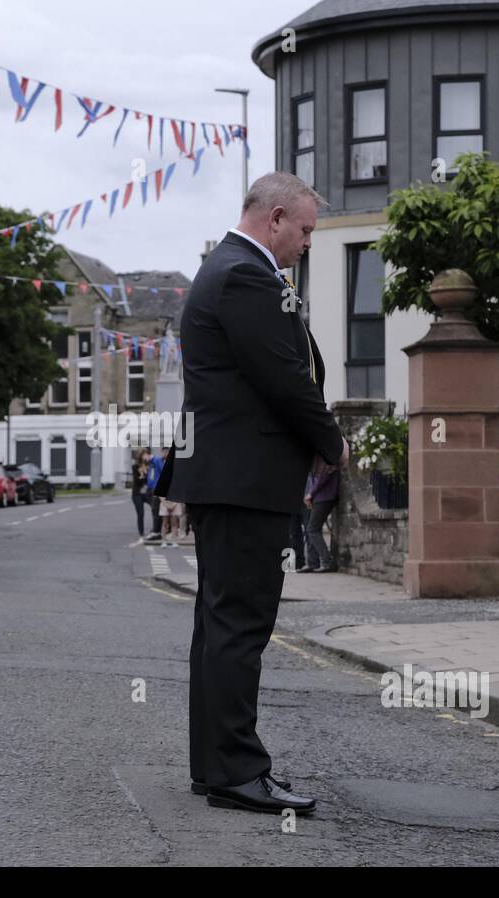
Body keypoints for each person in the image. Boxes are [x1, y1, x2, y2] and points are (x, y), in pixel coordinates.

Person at [159, 172, 349, 816]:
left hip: (228, 476)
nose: (306, 244)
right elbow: (285, 378)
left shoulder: (226, 266)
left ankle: (215, 766)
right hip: (245, 479)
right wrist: (332, 441)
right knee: (239, 626)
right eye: (304, 231)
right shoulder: (245, 273)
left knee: (219, 626)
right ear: (274, 219)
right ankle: (238, 772)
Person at [299, 461, 339, 573]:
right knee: (311, 529)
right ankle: (313, 562)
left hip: (324, 497)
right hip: (320, 497)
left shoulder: (326, 459)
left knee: (312, 529)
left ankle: (327, 562)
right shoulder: (321, 459)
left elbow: (322, 478)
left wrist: (311, 494)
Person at [130, 449, 151, 543]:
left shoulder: (150, 466)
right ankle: (141, 533)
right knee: (141, 513)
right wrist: (143, 474)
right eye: (144, 455)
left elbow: (150, 480)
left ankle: (155, 530)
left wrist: (145, 474)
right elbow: (137, 481)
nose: (146, 457)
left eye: (147, 455)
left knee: (155, 507)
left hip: (147, 493)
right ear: (140, 456)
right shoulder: (135, 467)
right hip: (137, 493)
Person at [145, 448, 165, 540]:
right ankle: (155, 529)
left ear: (147, 454)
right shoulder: (150, 462)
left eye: (143, 456)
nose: (143, 459)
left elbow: (163, 471)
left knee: (155, 509)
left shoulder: (157, 460)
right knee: (154, 509)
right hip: (151, 488)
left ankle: (156, 531)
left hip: (156, 488)